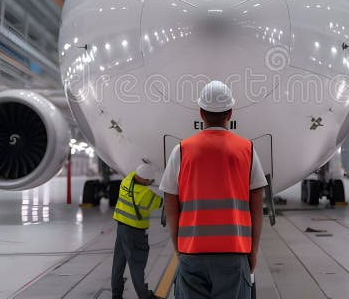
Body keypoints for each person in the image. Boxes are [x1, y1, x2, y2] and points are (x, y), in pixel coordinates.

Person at [160, 81, 267, 299]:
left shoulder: (180, 151)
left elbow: (170, 201)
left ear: (201, 113)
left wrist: (178, 246)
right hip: (234, 253)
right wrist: (253, 251)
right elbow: (257, 201)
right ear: (230, 113)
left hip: (192, 252)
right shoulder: (247, 149)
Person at [112, 163, 163, 299]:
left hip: (121, 228)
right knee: (137, 265)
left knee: (118, 263)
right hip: (135, 233)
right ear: (143, 179)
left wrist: (145, 163)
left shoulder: (127, 180)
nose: (150, 183)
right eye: (149, 180)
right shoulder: (144, 194)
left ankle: (116, 295)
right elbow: (161, 203)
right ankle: (144, 296)